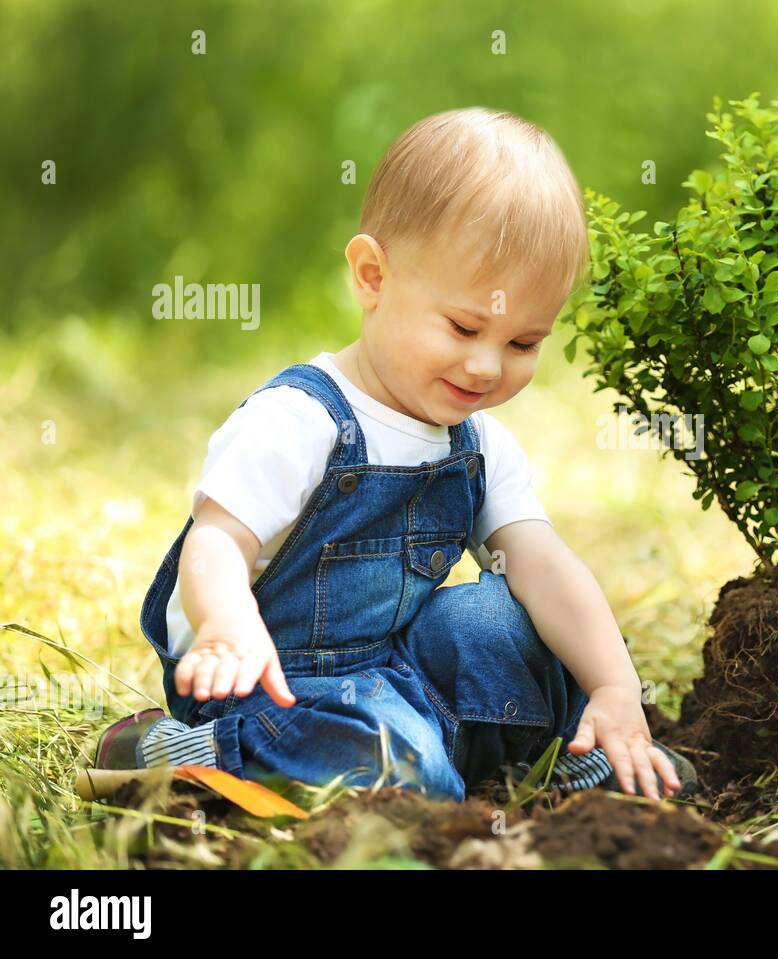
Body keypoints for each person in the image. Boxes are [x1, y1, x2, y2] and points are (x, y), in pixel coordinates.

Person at [95, 108, 698, 801]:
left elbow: (545, 565)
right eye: (465, 325)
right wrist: (227, 623)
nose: (484, 366)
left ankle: (552, 758)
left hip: (400, 678)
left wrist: (616, 686)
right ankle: (189, 750)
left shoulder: (478, 445)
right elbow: (214, 542)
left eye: (523, 343)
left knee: (509, 619)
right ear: (373, 276)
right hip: (274, 687)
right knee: (389, 758)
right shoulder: (300, 419)